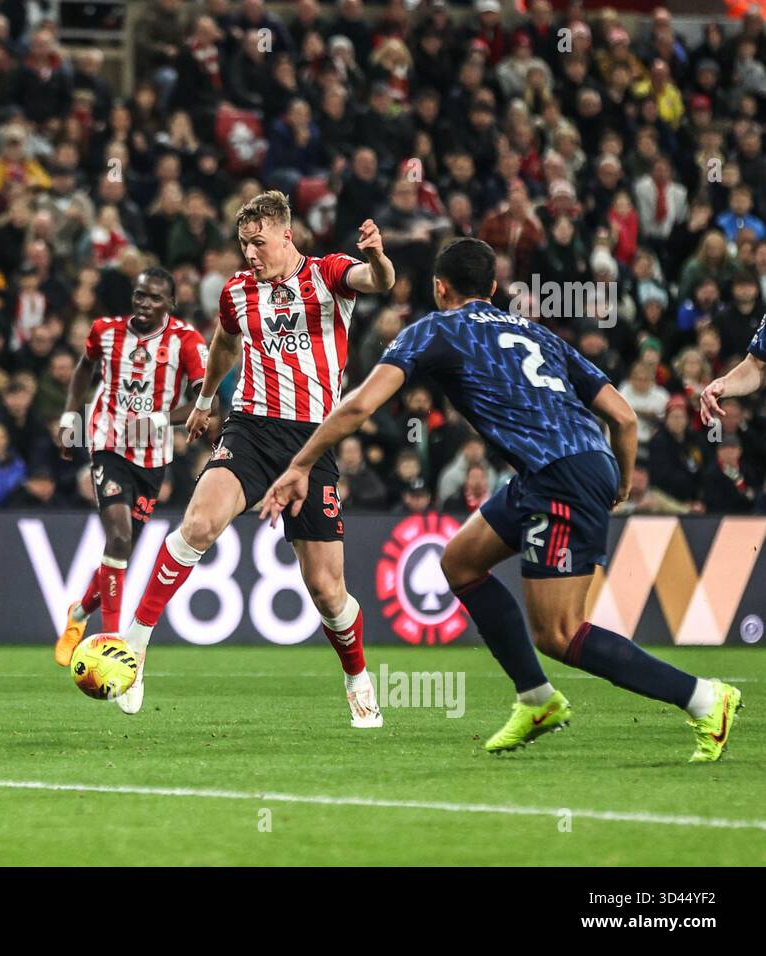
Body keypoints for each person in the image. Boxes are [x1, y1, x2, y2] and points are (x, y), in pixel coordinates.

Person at [262, 237, 741, 762]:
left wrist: (301, 463)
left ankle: (703, 698)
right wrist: (620, 482)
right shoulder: (539, 333)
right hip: (570, 467)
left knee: (559, 632)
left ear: (439, 287)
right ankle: (536, 698)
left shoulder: (436, 329)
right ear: (492, 287)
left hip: (560, 476)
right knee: (460, 561)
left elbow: (357, 408)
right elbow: (624, 417)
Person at [117, 190, 396, 725]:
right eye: (244, 244)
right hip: (249, 428)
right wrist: (204, 400)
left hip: (312, 443)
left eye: (258, 242)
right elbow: (224, 342)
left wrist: (379, 257)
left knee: (327, 591)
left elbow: (377, 282)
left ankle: (357, 676)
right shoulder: (238, 292)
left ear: (285, 234)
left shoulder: (328, 274)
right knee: (198, 524)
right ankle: (136, 645)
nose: (250, 253)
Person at [52, 267, 208, 665]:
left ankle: (79, 613)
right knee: (119, 538)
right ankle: (110, 643)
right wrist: (71, 416)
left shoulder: (186, 341)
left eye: (154, 298)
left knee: (120, 553)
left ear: (170, 304)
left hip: (152, 458)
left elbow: (207, 404)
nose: (143, 303)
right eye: (139, 295)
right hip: (108, 443)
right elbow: (85, 367)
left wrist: (162, 419)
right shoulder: (105, 330)